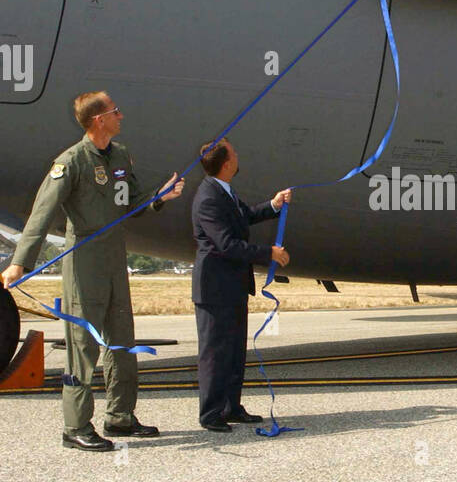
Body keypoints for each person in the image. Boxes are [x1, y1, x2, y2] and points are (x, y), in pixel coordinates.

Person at [0, 91, 184, 451]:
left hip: (116, 257)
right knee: (82, 345)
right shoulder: (70, 162)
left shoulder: (120, 155)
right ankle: (75, 426)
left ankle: (120, 416)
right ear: (99, 120)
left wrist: (159, 197)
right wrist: (20, 262)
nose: (121, 115)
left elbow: (129, 203)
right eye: (116, 111)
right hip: (84, 259)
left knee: (122, 341)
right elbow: (41, 212)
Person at [192, 138, 291, 432]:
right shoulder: (209, 197)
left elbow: (244, 216)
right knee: (214, 353)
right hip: (215, 288)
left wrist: (274, 205)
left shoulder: (224, 192)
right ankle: (211, 414)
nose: (237, 155)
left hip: (232, 286)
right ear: (226, 164)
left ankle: (231, 406)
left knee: (234, 352)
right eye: (233, 153)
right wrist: (268, 253)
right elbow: (226, 245)